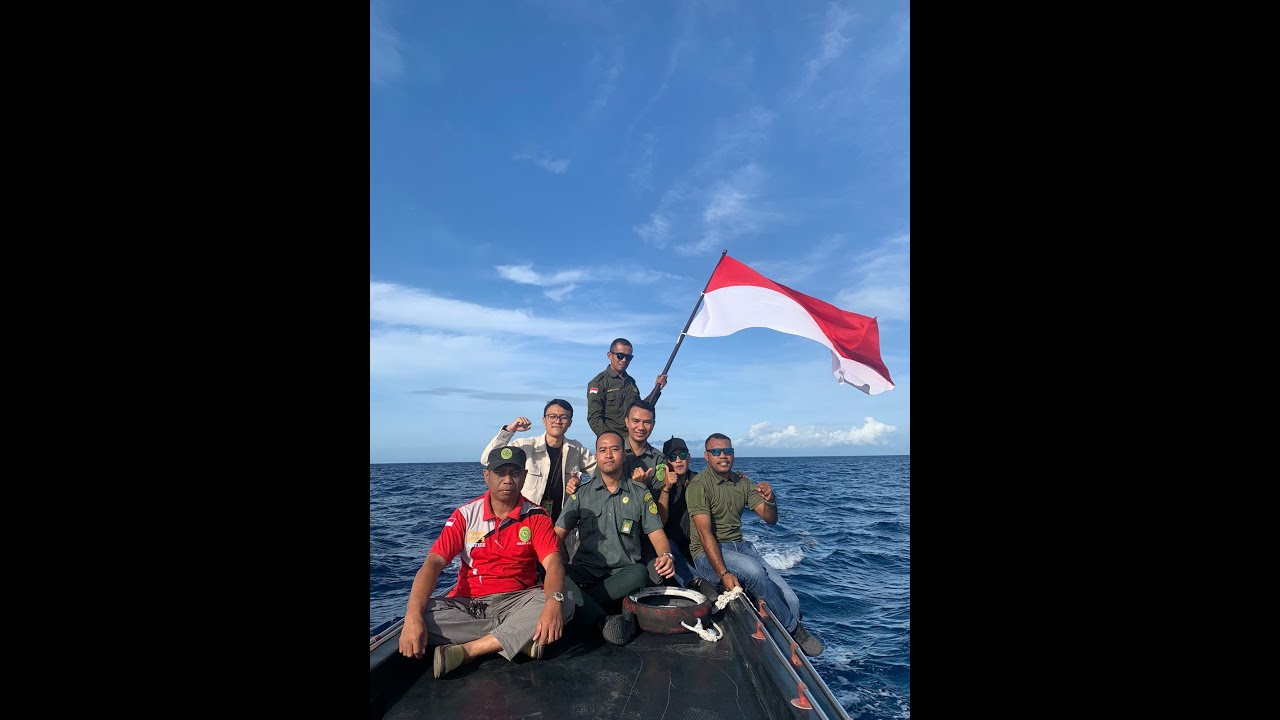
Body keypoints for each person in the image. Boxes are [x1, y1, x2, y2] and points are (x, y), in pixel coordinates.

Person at [399, 446, 575, 678]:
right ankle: (515, 637)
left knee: (563, 602)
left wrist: (553, 602)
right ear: (487, 476)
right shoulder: (465, 515)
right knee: (419, 613)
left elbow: (553, 563)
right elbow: (433, 563)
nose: (507, 480)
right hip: (470, 605)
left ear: (524, 476)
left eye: (514, 473)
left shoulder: (536, 516)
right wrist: (412, 616)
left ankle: (470, 650)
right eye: (500, 473)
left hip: (518, 600)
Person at [686, 433, 825, 657]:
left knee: (792, 601)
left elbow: (770, 519)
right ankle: (794, 631)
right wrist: (722, 573)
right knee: (753, 571)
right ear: (706, 456)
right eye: (716, 452)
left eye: (727, 451)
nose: (723, 456)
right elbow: (704, 533)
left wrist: (770, 499)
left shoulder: (743, 483)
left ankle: (783, 633)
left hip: (741, 547)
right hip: (707, 554)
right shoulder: (698, 486)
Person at [555, 430, 677, 645]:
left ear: (623, 454)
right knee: (553, 573)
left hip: (624, 573)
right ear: (596, 455)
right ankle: (603, 620)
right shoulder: (581, 494)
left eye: (614, 449)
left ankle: (582, 607)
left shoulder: (640, 493)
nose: (608, 454)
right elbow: (556, 536)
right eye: (602, 450)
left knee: (641, 573)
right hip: (586, 571)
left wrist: (666, 555)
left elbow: (657, 533)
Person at [480, 399, 596, 523]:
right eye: (552, 416)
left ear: (570, 422)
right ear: (544, 420)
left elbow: (603, 473)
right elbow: (487, 459)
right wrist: (509, 430)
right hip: (526, 521)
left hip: (562, 524)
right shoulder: (525, 446)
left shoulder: (576, 449)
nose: (557, 421)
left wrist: (581, 487)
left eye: (563, 417)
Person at [586, 338, 667, 437]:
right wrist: (611, 440)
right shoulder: (599, 383)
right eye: (620, 356)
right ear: (610, 355)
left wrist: (657, 388)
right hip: (613, 444)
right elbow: (594, 418)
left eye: (628, 357)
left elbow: (641, 408)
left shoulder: (631, 382)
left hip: (633, 440)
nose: (624, 360)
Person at [654, 436, 699, 587]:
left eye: (683, 455)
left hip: (695, 543)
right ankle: (695, 583)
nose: (678, 460)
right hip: (671, 544)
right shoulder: (658, 485)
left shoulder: (700, 481)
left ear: (689, 458)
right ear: (666, 463)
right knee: (669, 546)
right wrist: (666, 489)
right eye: (673, 457)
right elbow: (659, 522)